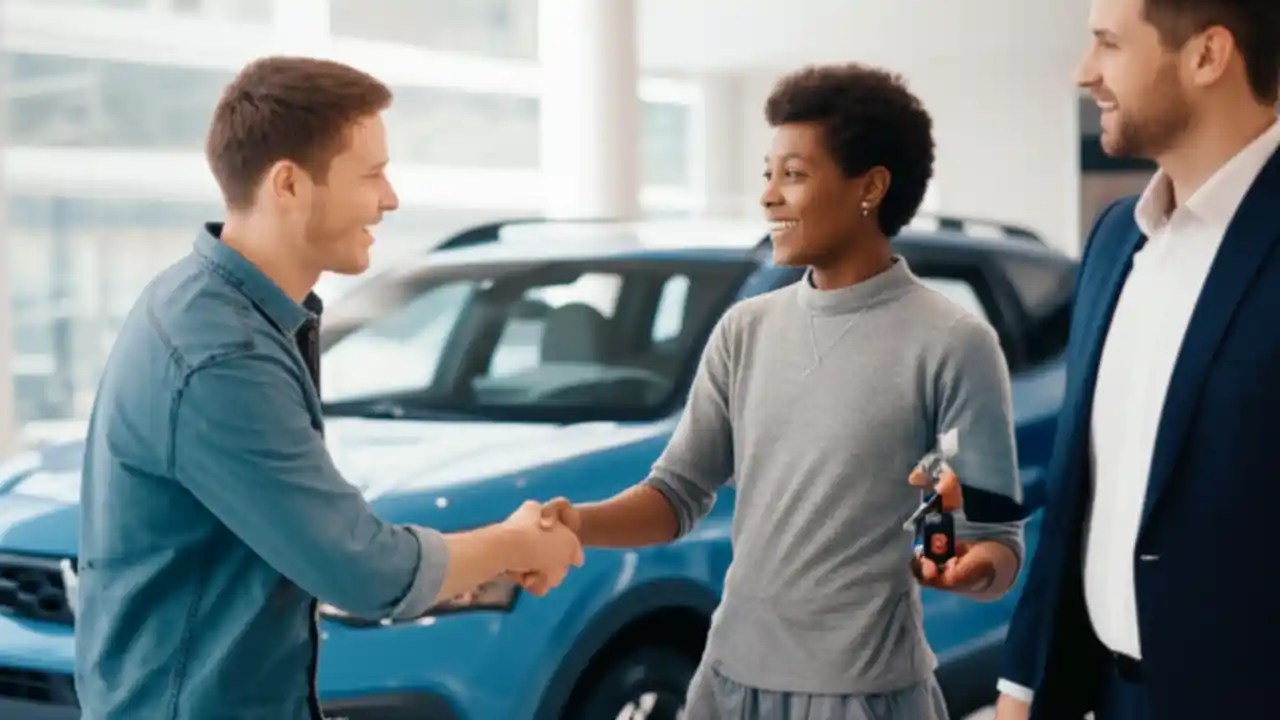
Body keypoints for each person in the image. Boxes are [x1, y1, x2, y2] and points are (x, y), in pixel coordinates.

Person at [74, 56, 583, 720]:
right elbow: (366, 573)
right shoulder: (221, 353)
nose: (390, 199)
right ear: (288, 184)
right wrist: (514, 543)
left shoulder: (214, 307)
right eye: (371, 175)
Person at [532, 63, 1026, 720]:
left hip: (865, 695)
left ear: (870, 187)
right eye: (767, 174)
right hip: (729, 685)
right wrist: (579, 522)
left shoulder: (953, 342)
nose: (768, 197)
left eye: (792, 174)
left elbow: (998, 541)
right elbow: (677, 493)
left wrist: (970, 568)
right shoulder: (745, 330)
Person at [994, 0, 1280, 718]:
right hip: (1110, 697)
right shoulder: (1116, 239)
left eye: (1108, 44)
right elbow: (1083, 493)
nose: (1083, 73)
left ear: (1208, 56)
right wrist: (1021, 687)